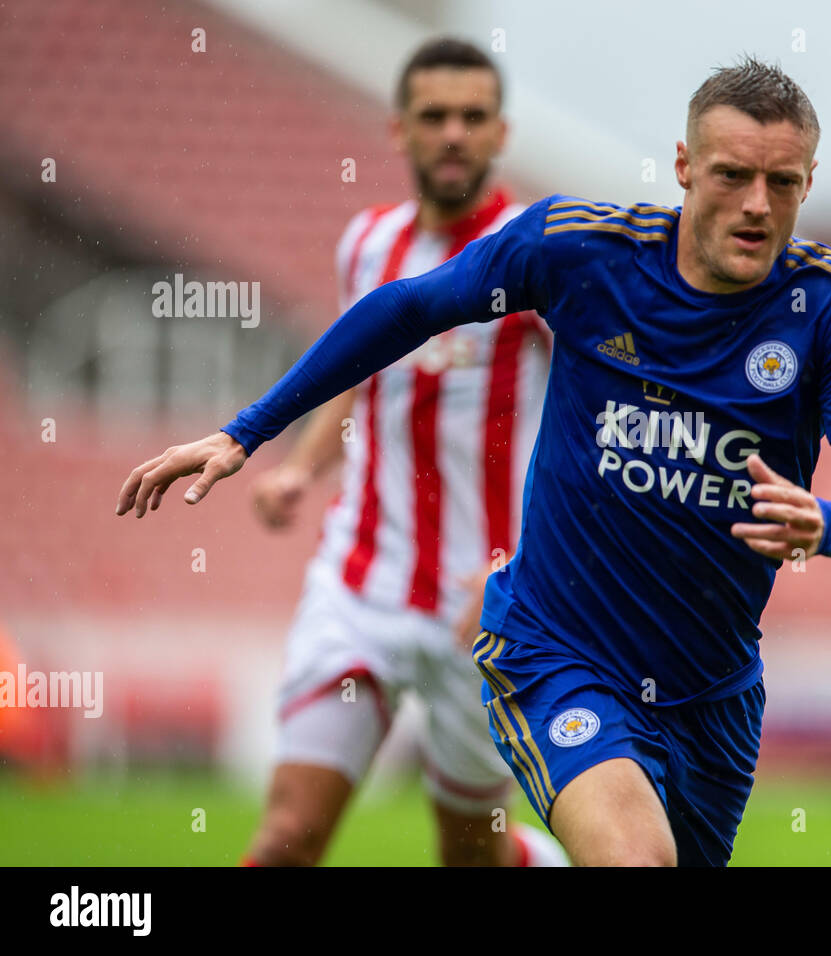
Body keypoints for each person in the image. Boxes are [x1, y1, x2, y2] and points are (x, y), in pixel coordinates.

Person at [117, 55, 831, 867]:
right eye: (732, 174)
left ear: (809, 183)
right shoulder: (582, 254)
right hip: (556, 649)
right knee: (632, 860)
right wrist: (244, 433)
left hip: (714, 690)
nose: (756, 205)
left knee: (492, 854)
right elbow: (412, 306)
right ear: (682, 166)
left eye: (782, 183)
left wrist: (829, 523)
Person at [238, 37, 561, 866]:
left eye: (472, 117)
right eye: (434, 116)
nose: (453, 133)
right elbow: (353, 367)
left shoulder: (538, 251)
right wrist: (302, 470)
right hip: (362, 583)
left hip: (479, 602)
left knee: (469, 857)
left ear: (501, 133)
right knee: (287, 838)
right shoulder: (367, 243)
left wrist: (525, 564)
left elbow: (588, 413)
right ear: (399, 132)